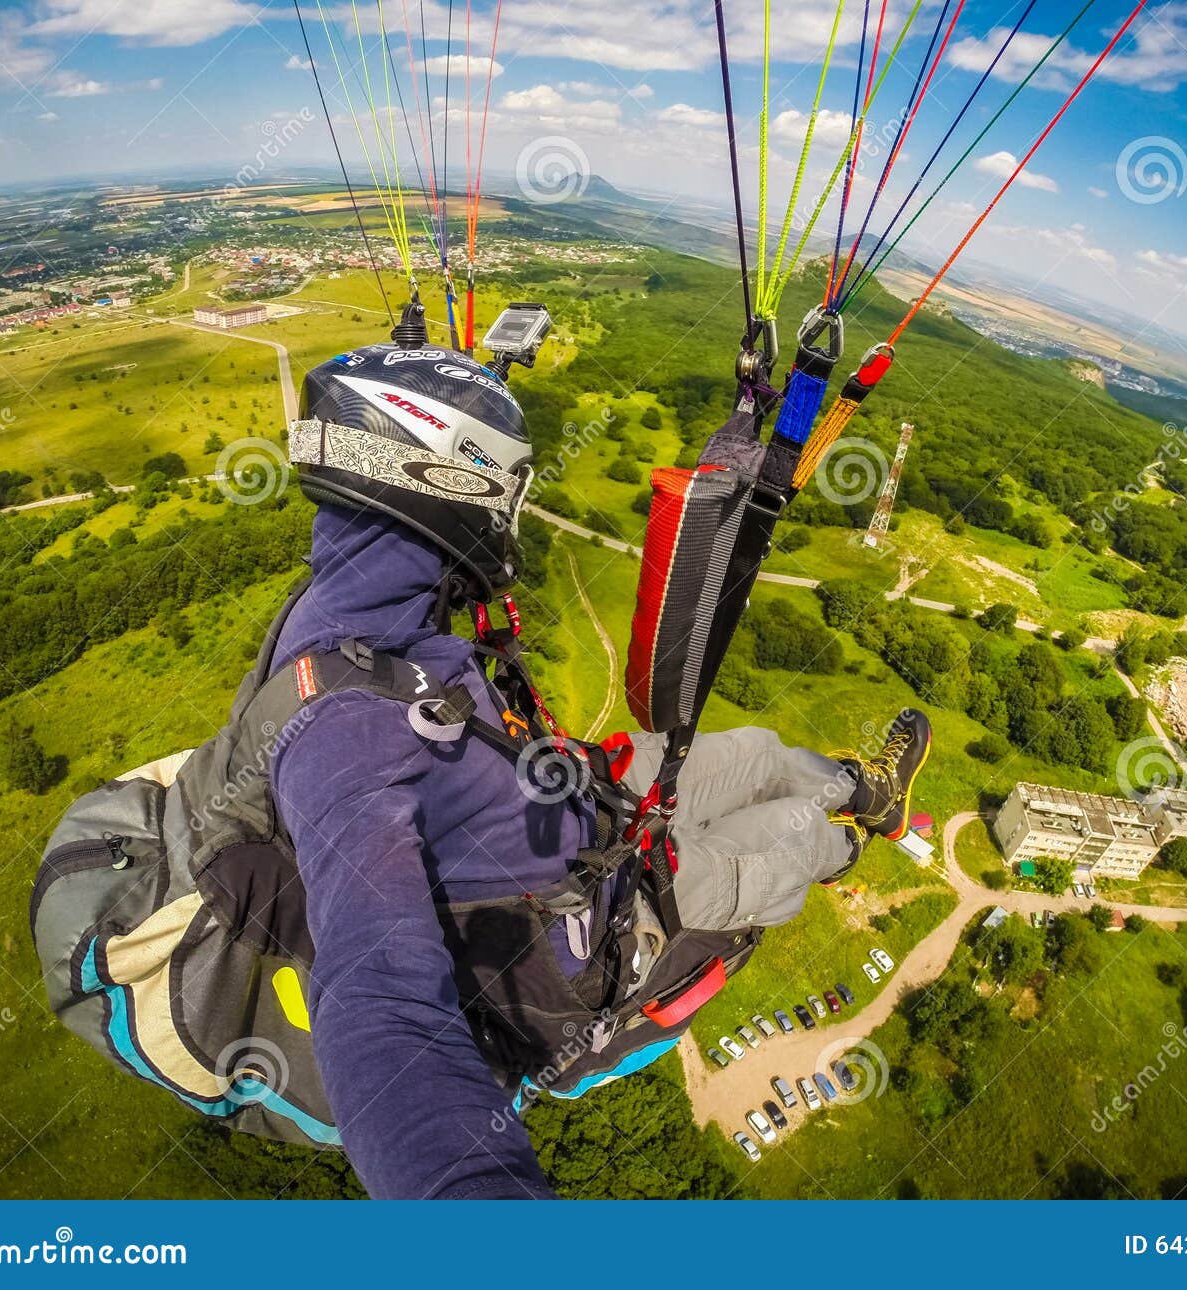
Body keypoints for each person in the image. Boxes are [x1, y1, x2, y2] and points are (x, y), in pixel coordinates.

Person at [272, 343, 930, 1198]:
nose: (511, 513)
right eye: (503, 488)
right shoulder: (341, 738)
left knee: (764, 752)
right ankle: (847, 847)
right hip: (605, 914)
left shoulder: (372, 605)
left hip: (594, 800)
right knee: (792, 833)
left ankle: (871, 796)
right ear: (451, 492)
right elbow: (378, 1009)